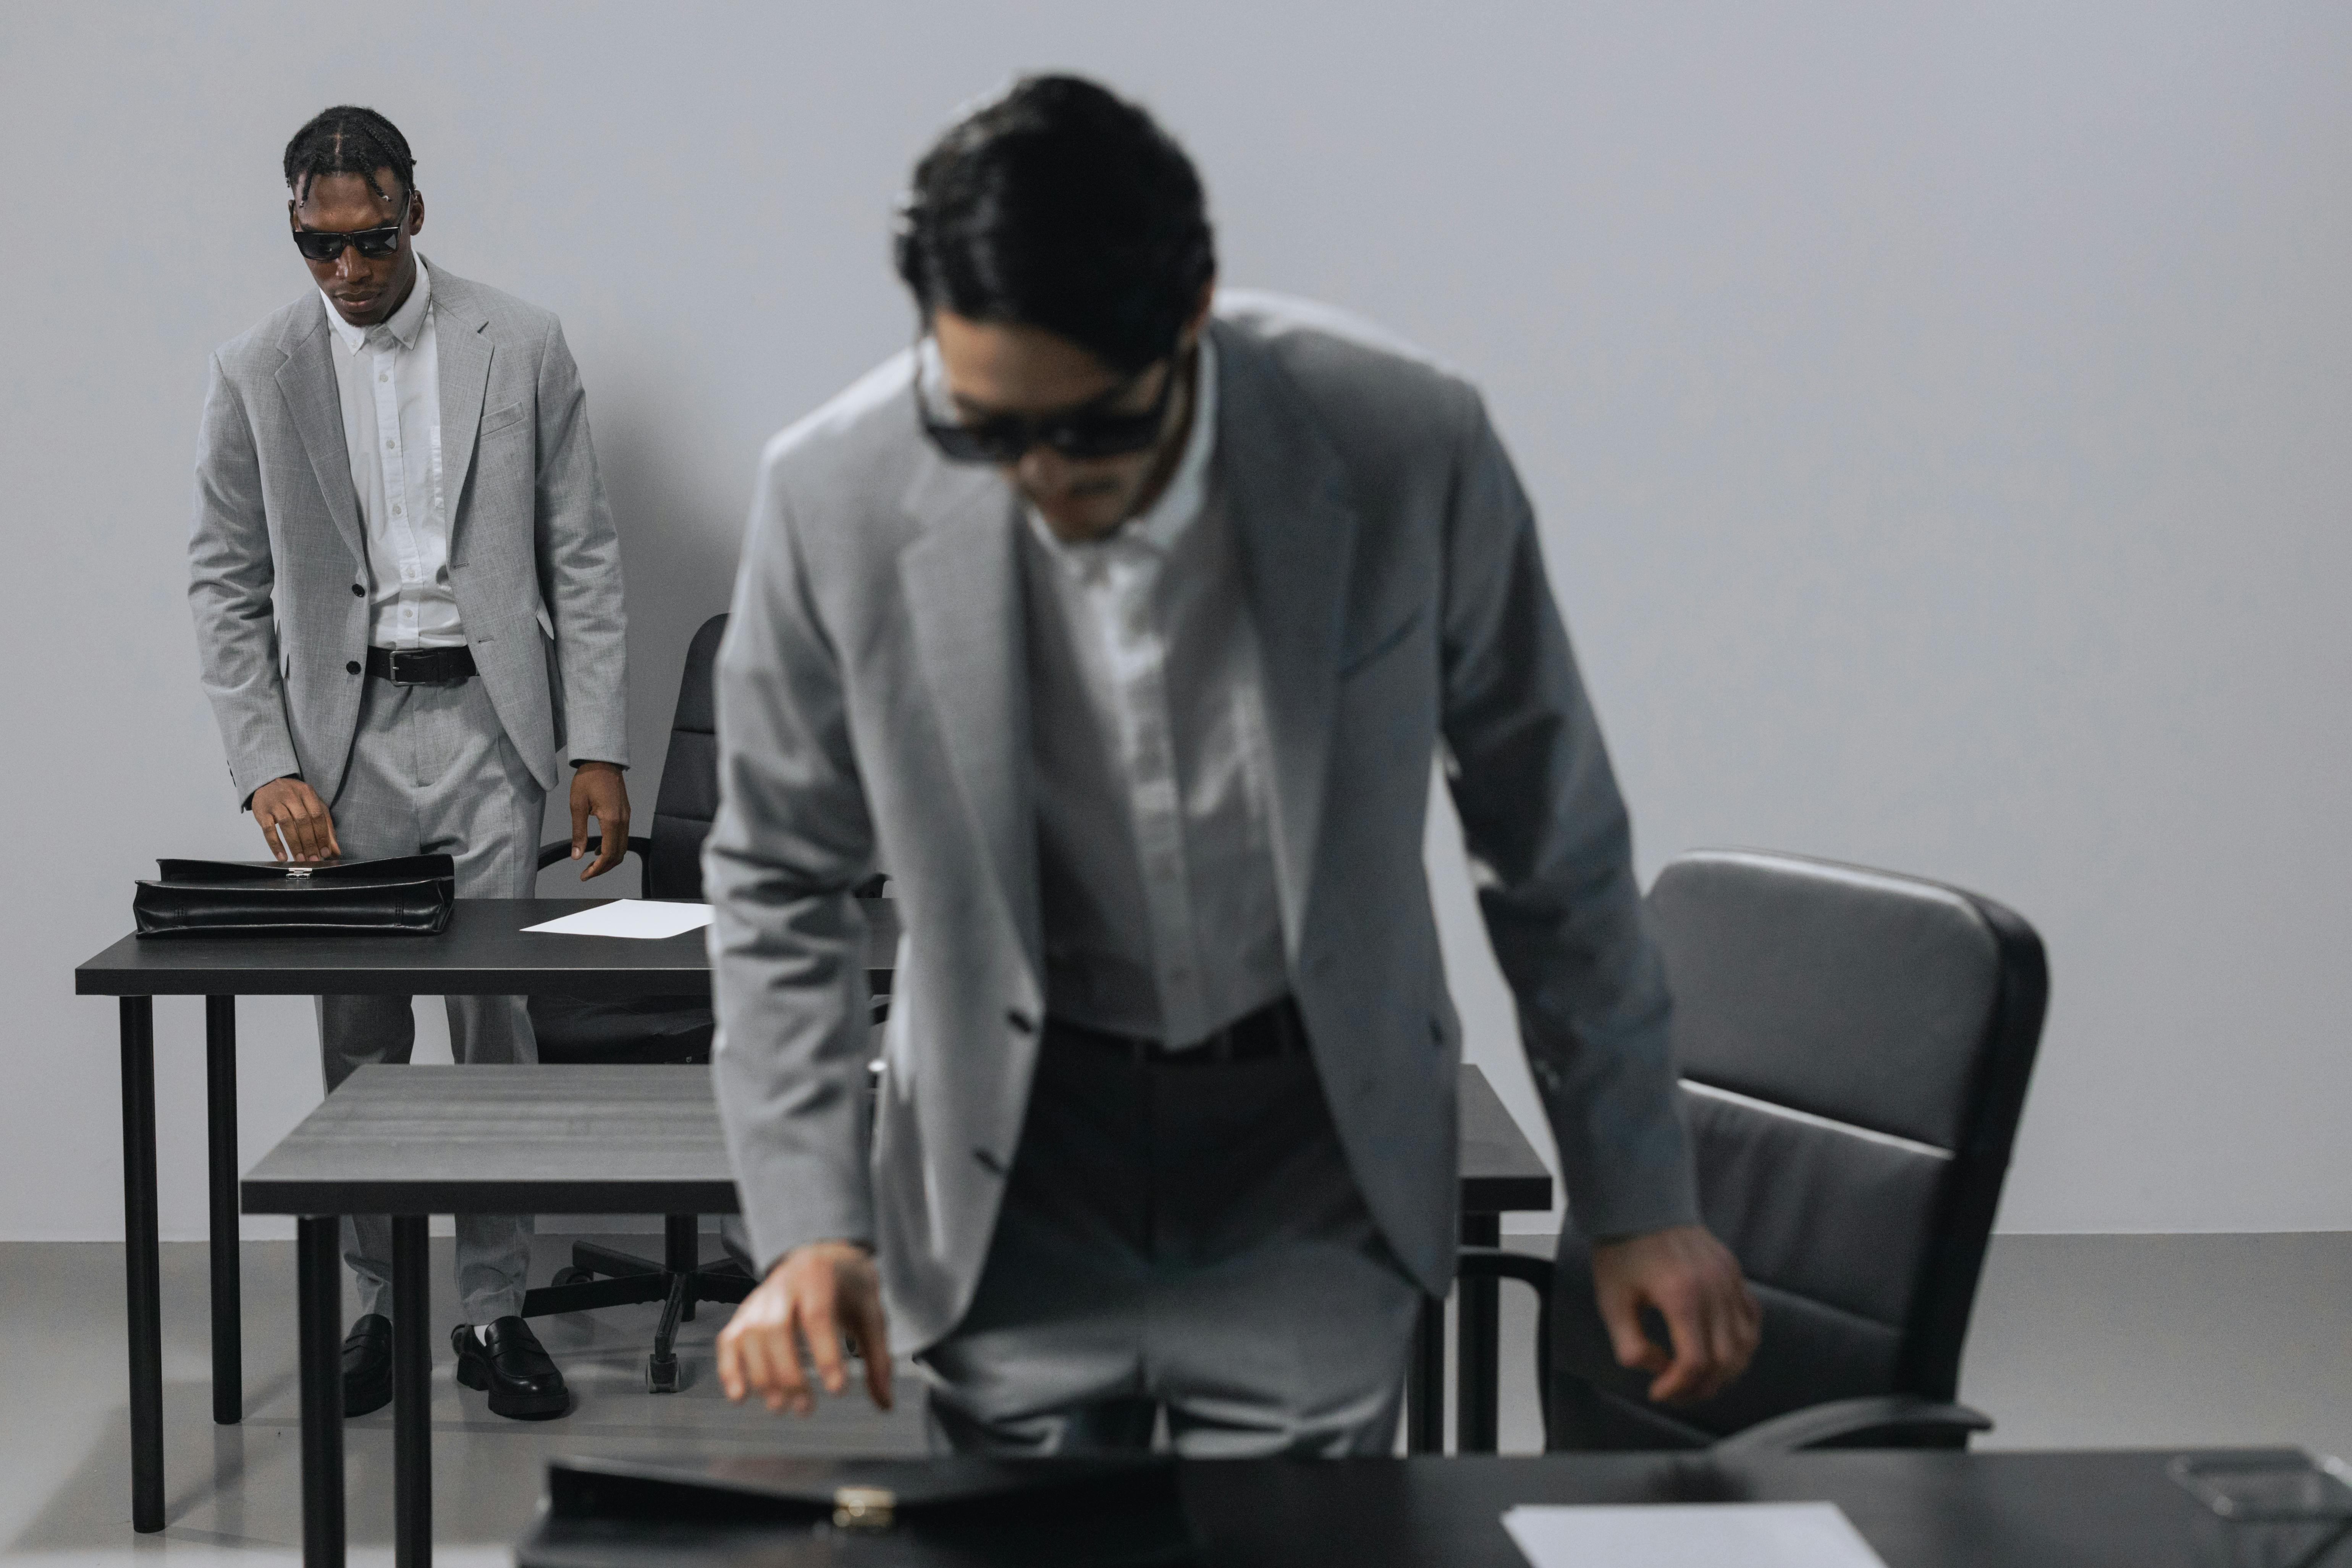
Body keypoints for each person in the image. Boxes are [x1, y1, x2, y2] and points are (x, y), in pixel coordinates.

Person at [705, 74, 1758, 1455]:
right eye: (984, 428)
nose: (1034, 474)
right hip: (1013, 1158)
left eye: (1087, 429)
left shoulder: (1405, 444)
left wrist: (1636, 1191)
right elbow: (780, 876)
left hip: (1309, 1149)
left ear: (1192, 310)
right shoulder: (833, 489)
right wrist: (813, 1224)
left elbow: (1549, 837)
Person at [187, 105, 630, 1422]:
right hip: (343, 741)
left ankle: (495, 1313)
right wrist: (263, 760)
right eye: (316, 248)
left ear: (415, 215)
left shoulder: (522, 341)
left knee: (496, 1028)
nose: (345, 271)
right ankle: (381, 1305)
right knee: (359, 1036)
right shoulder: (255, 367)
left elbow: (584, 552)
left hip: (493, 726)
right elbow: (223, 581)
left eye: (368, 240)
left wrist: (597, 741)